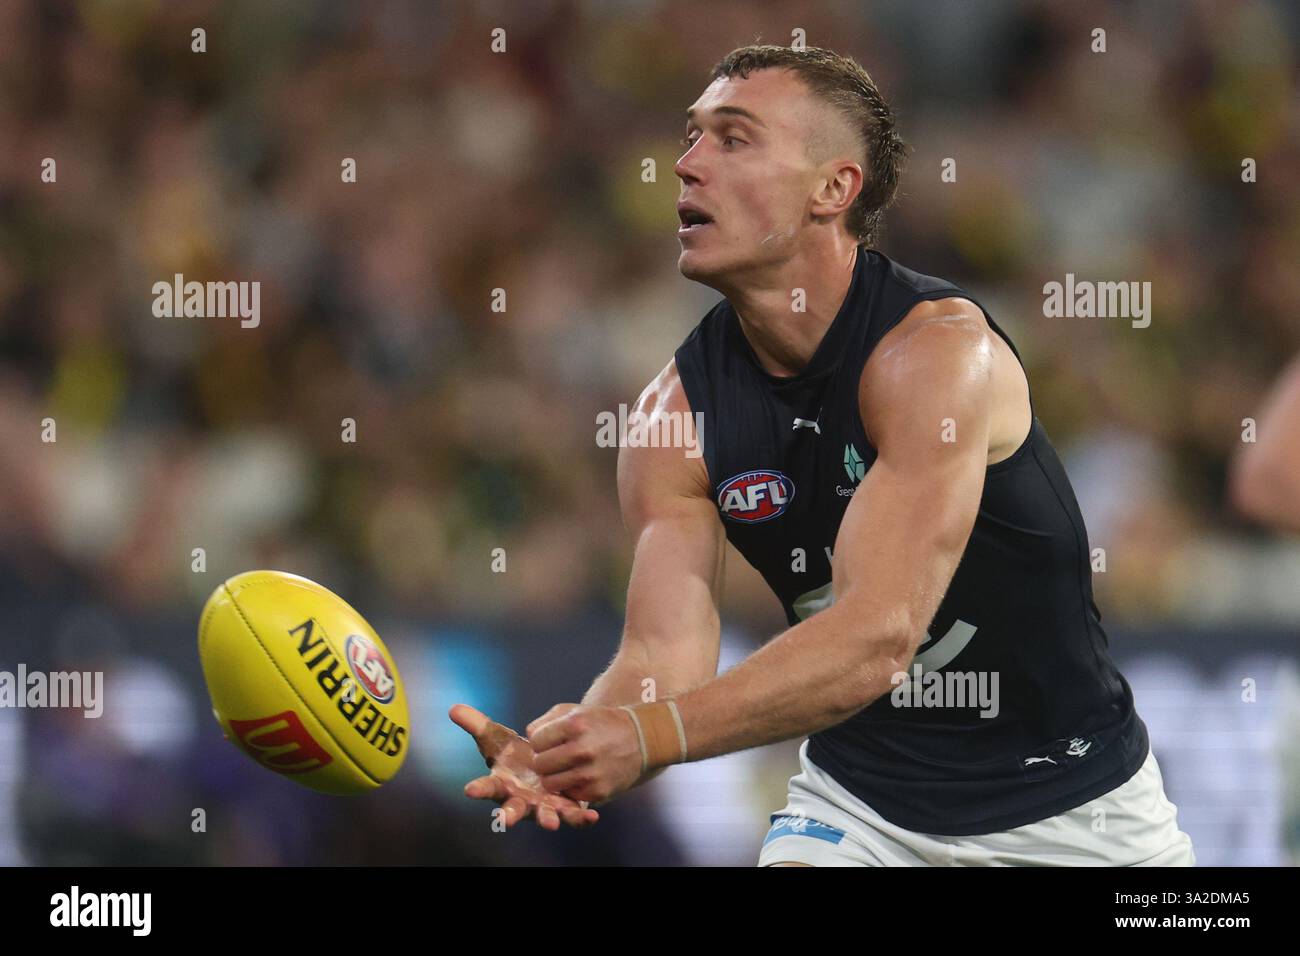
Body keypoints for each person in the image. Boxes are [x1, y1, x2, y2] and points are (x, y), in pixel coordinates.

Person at [451, 44, 1194, 866]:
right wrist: (581, 744)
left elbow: (876, 639)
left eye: (732, 139)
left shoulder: (937, 355)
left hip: (1078, 812)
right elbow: (663, 656)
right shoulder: (674, 413)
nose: (687, 165)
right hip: (862, 809)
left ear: (833, 188)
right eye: (690, 137)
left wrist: (649, 734)